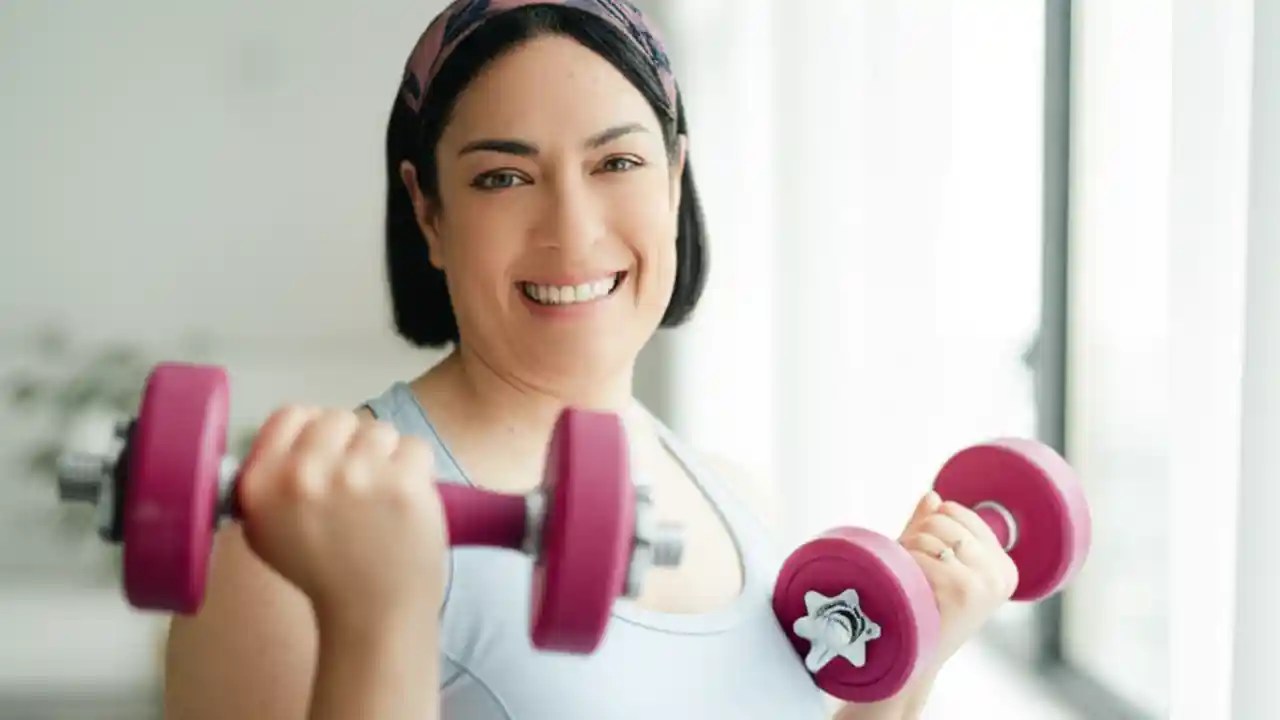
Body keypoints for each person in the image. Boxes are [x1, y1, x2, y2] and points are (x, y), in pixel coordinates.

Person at [162, 2, 1020, 718]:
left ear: (676, 178)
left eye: (617, 162)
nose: (571, 231)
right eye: (504, 177)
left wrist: (903, 680)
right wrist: (380, 620)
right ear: (426, 211)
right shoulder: (288, 535)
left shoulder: (739, 501)